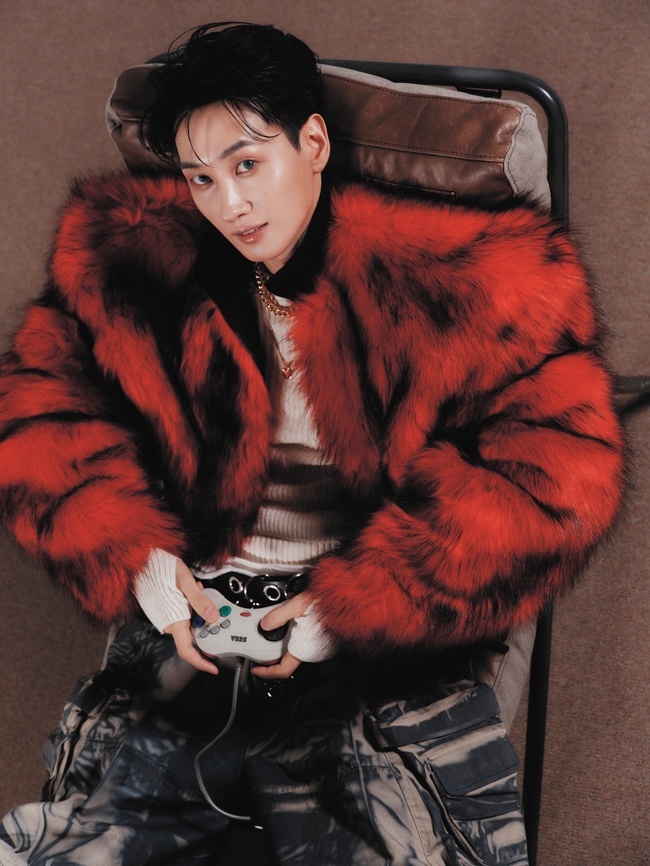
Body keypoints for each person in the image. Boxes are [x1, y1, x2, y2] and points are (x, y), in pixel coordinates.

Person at [0, 21, 624, 866]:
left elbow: (558, 475)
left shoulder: (468, 286)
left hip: (369, 633)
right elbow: (38, 413)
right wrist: (136, 555)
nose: (229, 205)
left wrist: (353, 603)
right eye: (200, 177)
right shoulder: (128, 262)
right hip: (203, 616)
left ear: (315, 143)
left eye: (248, 164)